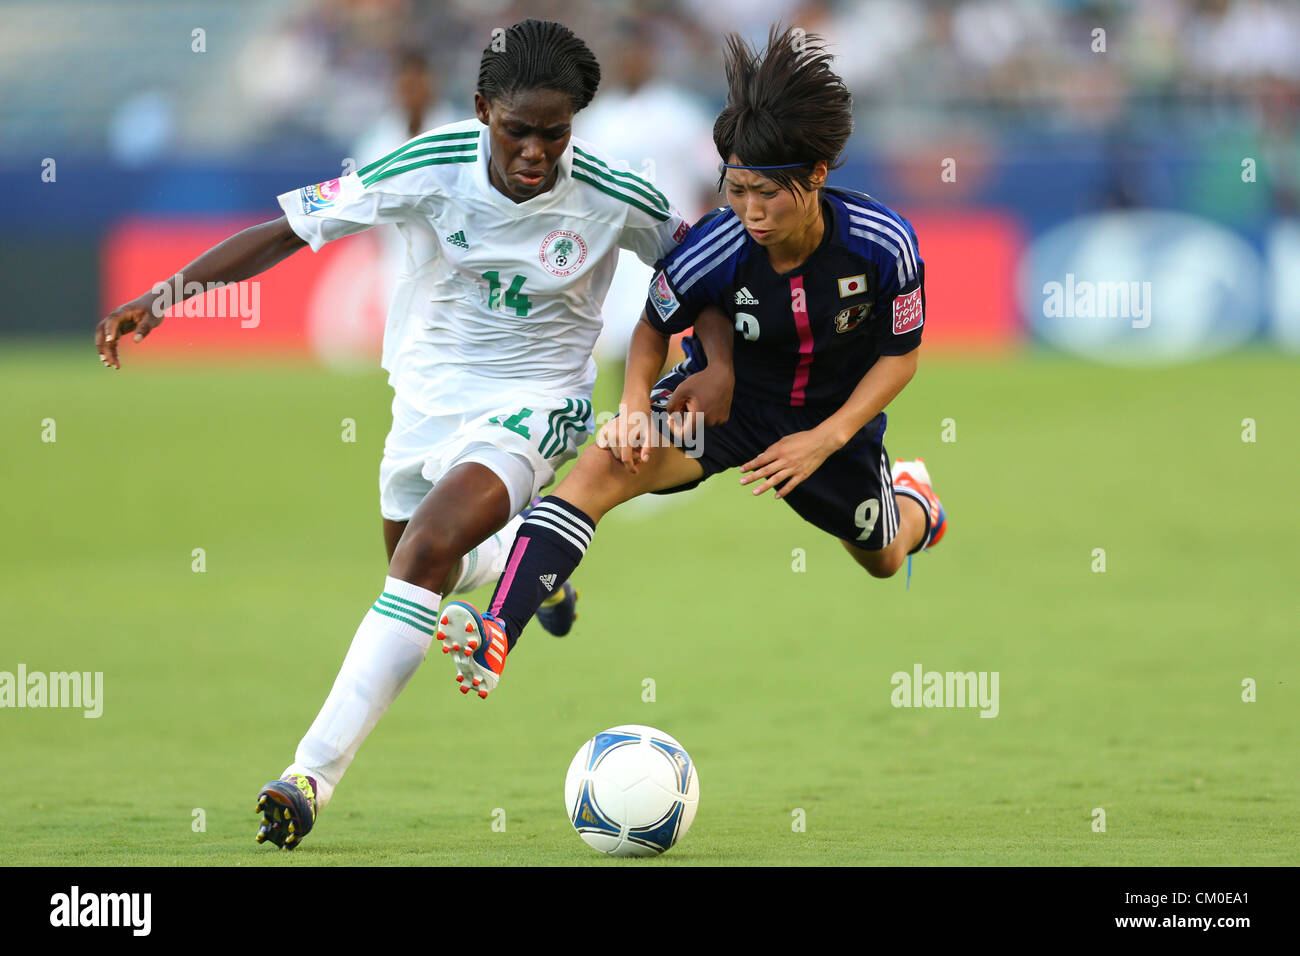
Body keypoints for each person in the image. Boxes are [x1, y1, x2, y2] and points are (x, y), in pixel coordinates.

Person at [93, 19, 727, 850]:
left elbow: (702, 271)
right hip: (424, 403)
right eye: (516, 131)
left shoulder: (619, 193)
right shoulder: (426, 167)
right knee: (421, 570)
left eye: (555, 133)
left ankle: (307, 776)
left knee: (423, 550)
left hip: (542, 402)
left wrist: (715, 359)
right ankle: (525, 570)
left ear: (577, 124)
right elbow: (289, 229)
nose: (535, 151)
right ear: (480, 112)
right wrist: (168, 292)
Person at [439, 26, 949, 700]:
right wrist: (630, 409)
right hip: (722, 411)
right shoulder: (715, 247)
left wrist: (824, 440)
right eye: (737, 190)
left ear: (818, 176)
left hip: (832, 429)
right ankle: (500, 629)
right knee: (597, 470)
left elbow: (900, 357)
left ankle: (916, 498)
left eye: (768, 193)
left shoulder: (883, 245)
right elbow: (653, 326)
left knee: (882, 556)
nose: (751, 212)